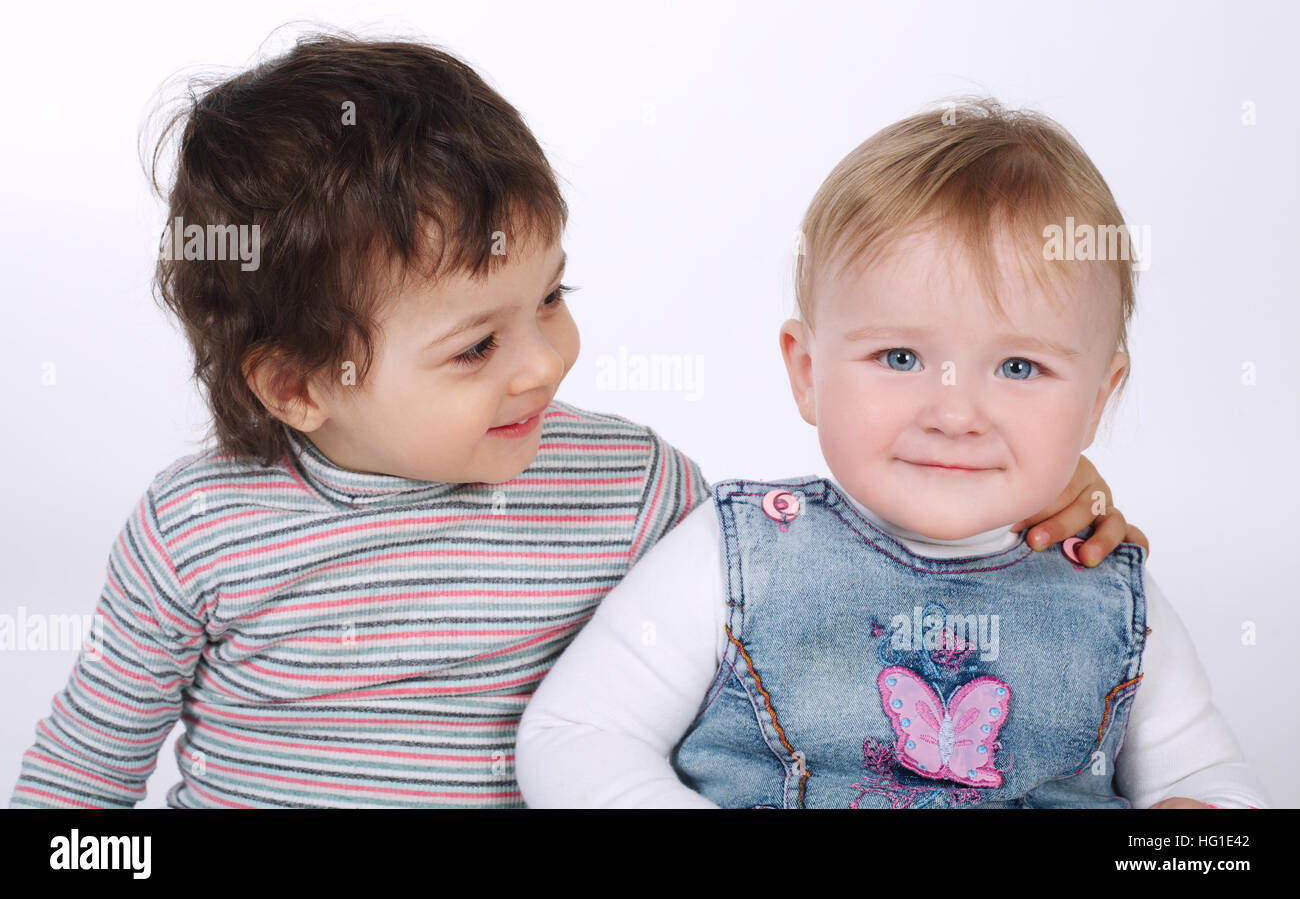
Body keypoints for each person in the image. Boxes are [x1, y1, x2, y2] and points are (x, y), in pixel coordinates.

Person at [9, 42, 1142, 808]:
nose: (544, 360)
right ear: (300, 385)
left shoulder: (633, 488)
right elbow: (82, 771)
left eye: (552, 298)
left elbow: (823, 564)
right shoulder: (196, 526)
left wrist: (1028, 489)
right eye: (475, 345)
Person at [514, 99, 1267, 809]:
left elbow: (1210, 779)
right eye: (901, 356)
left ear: (1099, 397)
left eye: (1018, 368)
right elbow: (577, 734)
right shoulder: (737, 554)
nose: (954, 413)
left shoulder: (1114, 599)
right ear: (808, 372)